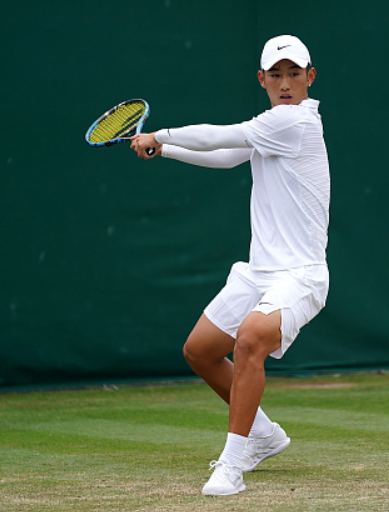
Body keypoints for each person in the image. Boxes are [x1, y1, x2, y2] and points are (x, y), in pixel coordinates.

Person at [130, 35, 330, 496]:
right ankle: (263, 435)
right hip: (259, 272)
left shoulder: (295, 121)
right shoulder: (270, 130)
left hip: (300, 276)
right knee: (200, 351)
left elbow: (217, 135)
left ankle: (232, 465)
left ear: (310, 77)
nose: (285, 83)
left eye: (293, 74)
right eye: (276, 75)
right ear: (262, 79)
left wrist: (161, 135)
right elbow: (227, 156)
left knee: (251, 338)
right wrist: (167, 150)